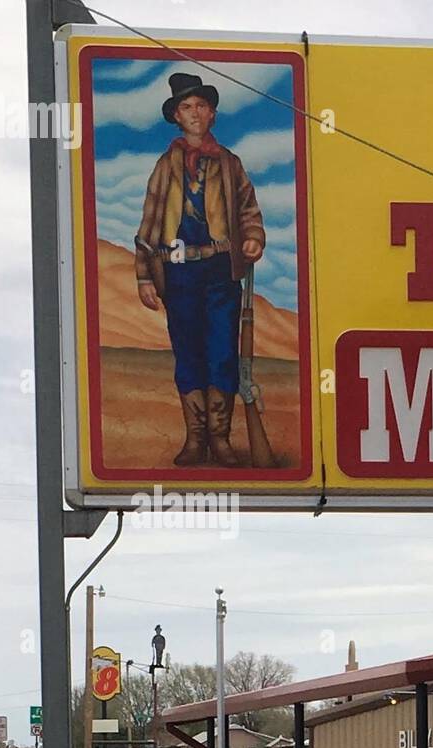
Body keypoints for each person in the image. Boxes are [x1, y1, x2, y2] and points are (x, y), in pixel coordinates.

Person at [135, 73, 265, 468]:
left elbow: (248, 210)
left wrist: (254, 238)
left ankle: (221, 439)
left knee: (223, 353)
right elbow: (149, 223)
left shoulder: (230, 164)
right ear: (176, 116)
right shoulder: (165, 166)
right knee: (188, 353)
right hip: (178, 272)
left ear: (212, 113)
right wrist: (144, 274)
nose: (195, 113)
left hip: (221, 269)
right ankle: (196, 438)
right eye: (186, 107)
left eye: (201, 106)